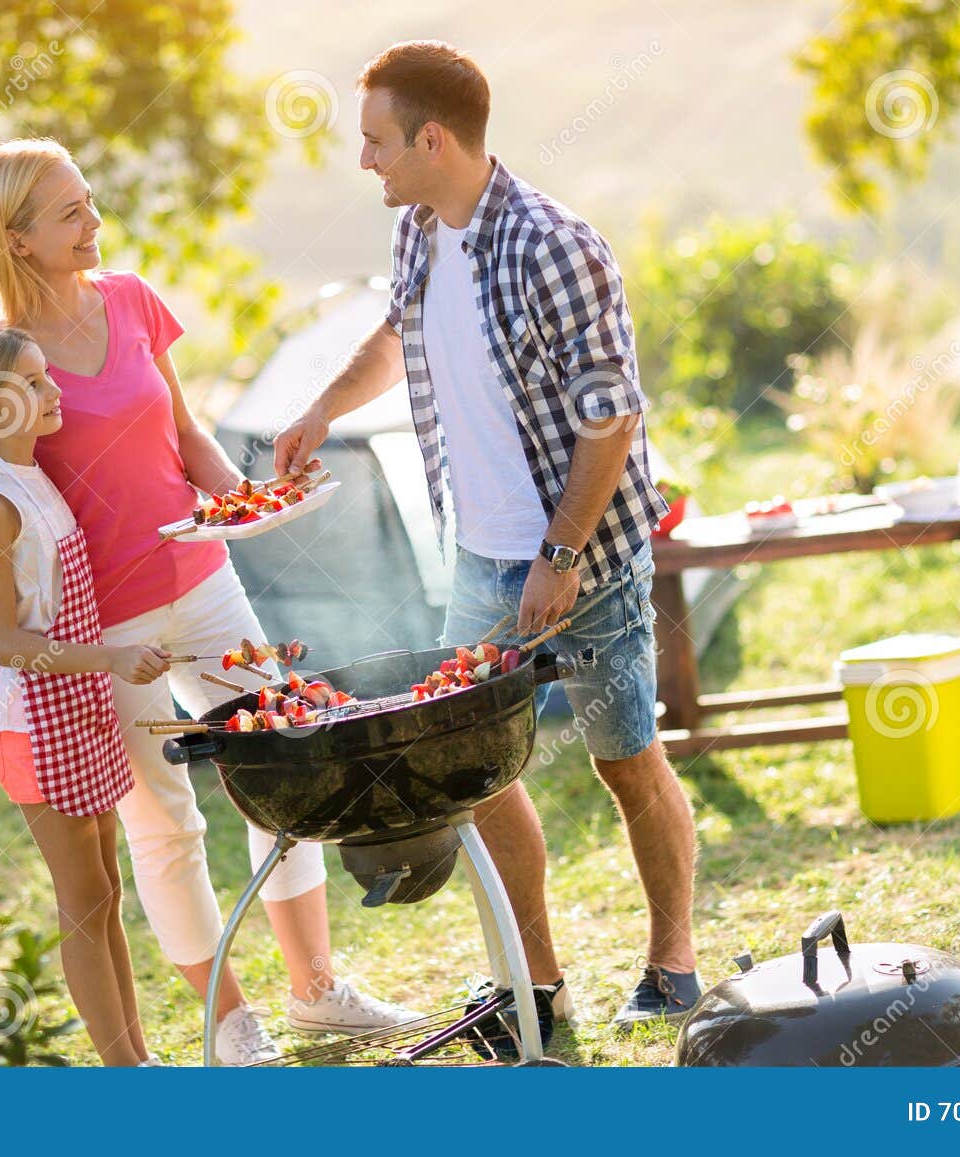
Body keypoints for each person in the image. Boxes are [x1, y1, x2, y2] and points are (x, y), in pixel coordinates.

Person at [0, 139, 416, 1062]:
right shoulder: (3, 359)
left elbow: (185, 430)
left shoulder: (130, 300)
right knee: (165, 823)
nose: (95, 224)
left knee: (285, 762)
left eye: (91, 202)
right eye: (70, 212)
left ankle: (317, 989)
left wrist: (246, 496)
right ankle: (234, 1024)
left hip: (205, 582)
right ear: (17, 237)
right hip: (103, 625)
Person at [275, 41, 704, 1030]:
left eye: (378, 141)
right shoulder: (421, 231)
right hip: (478, 557)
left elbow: (613, 416)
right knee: (474, 770)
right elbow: (395, 334)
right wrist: (319, 412)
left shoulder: (555, 244)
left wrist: (559, 553)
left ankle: (672, 960)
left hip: (583, 556)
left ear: (433, 138)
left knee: (624, 756)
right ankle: (535, 981)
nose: (365, 161)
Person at [0, 324, 165, 1066]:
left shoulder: (30, 474)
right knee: (85, 901)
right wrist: (113, 656)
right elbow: (5, 643)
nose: (53, 390)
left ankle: (140, 1058)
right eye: (32, 384)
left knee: (106, 889)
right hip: (32, 719)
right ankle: (124, 1073)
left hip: (74, 704)